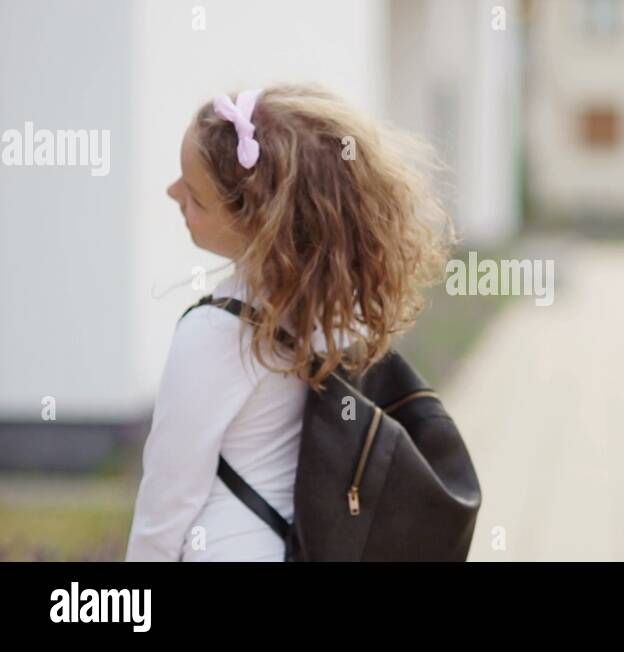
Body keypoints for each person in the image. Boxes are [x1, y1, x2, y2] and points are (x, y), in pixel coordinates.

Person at [125, 84, 451, 561]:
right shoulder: (334, 308)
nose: (172, 193)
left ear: (254, 221)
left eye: (193, 196)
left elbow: (167, 500)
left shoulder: (214, 333)